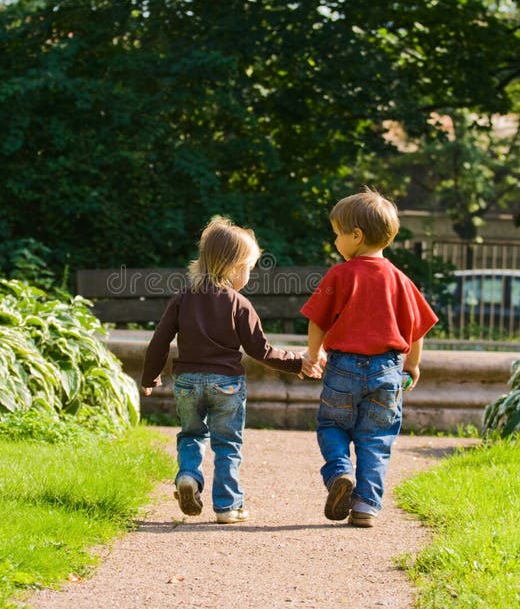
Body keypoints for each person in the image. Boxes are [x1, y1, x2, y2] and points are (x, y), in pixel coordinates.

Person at [141, 216, 323, 524]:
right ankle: (227, 505)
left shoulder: (182, 298)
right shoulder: (239, 304)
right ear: (235, 266)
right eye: (249, 267)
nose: (249, 274)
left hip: (187, 382)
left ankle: (188, 477)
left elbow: (160, 339)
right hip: (227, 384)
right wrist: (298, 363)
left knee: (191, 434)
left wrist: (150, 376)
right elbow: (260, 350)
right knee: (227, 444)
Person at [300, 188, 438, 528]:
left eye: (337, 235)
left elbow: (317, 320)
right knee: (376, 440)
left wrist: (313, 355)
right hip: (388, 371)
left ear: (356, 236)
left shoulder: (340, 274)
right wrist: (413, 365)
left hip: (343, 367)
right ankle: (365, 507)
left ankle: (339, 473)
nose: (335, 242)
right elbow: (417, 331)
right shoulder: (401, 280)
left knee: (332, 425)